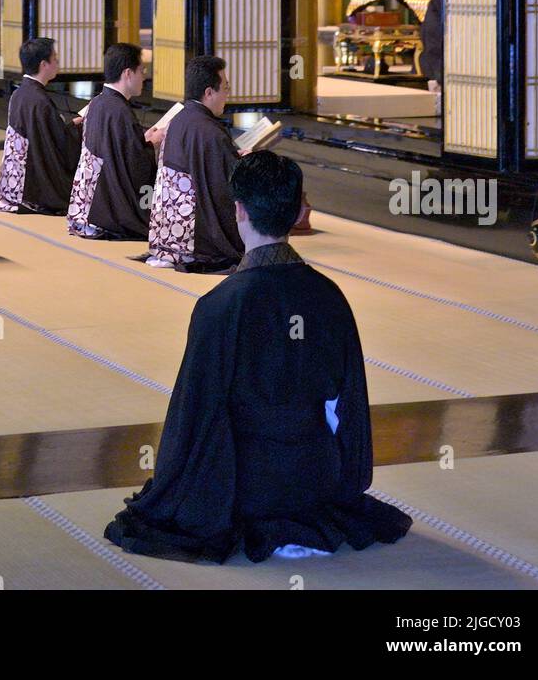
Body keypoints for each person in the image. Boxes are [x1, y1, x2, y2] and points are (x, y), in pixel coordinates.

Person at [105, 151, 412, 563]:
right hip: (315, 475)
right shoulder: (329, 296)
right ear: (298, 212)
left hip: (242, 481)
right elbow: (347, 403)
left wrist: (173, 482)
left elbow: (193, 413)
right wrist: (344, 476)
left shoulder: (221, 305)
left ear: (239, 210)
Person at [145, 55, 243, 272]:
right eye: (225, 88)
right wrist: (245, 162)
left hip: (167, 231)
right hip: (196, 239)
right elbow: (224, 185)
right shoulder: (209, 131)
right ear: (209, 92)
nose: (228, 94)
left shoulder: (178, 120)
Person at [67, 42, 160, 240]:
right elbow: (135, 162)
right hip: (104, 207)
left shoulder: (99, 102)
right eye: (141, 71)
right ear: (128, 73)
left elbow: (115, 149)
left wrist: (142, 139)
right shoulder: (119, 110)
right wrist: (153, 144)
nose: (144, 76)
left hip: (87, 202)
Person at [0, 38, 82, 215]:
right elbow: (58, 143)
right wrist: (77, 129)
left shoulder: (20, 93)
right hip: (31, 185)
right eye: (55, 59)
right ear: (44, 64)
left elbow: (46, 135)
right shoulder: (39, 100)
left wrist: (71, 124)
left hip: (15, 179)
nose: (57, 63)